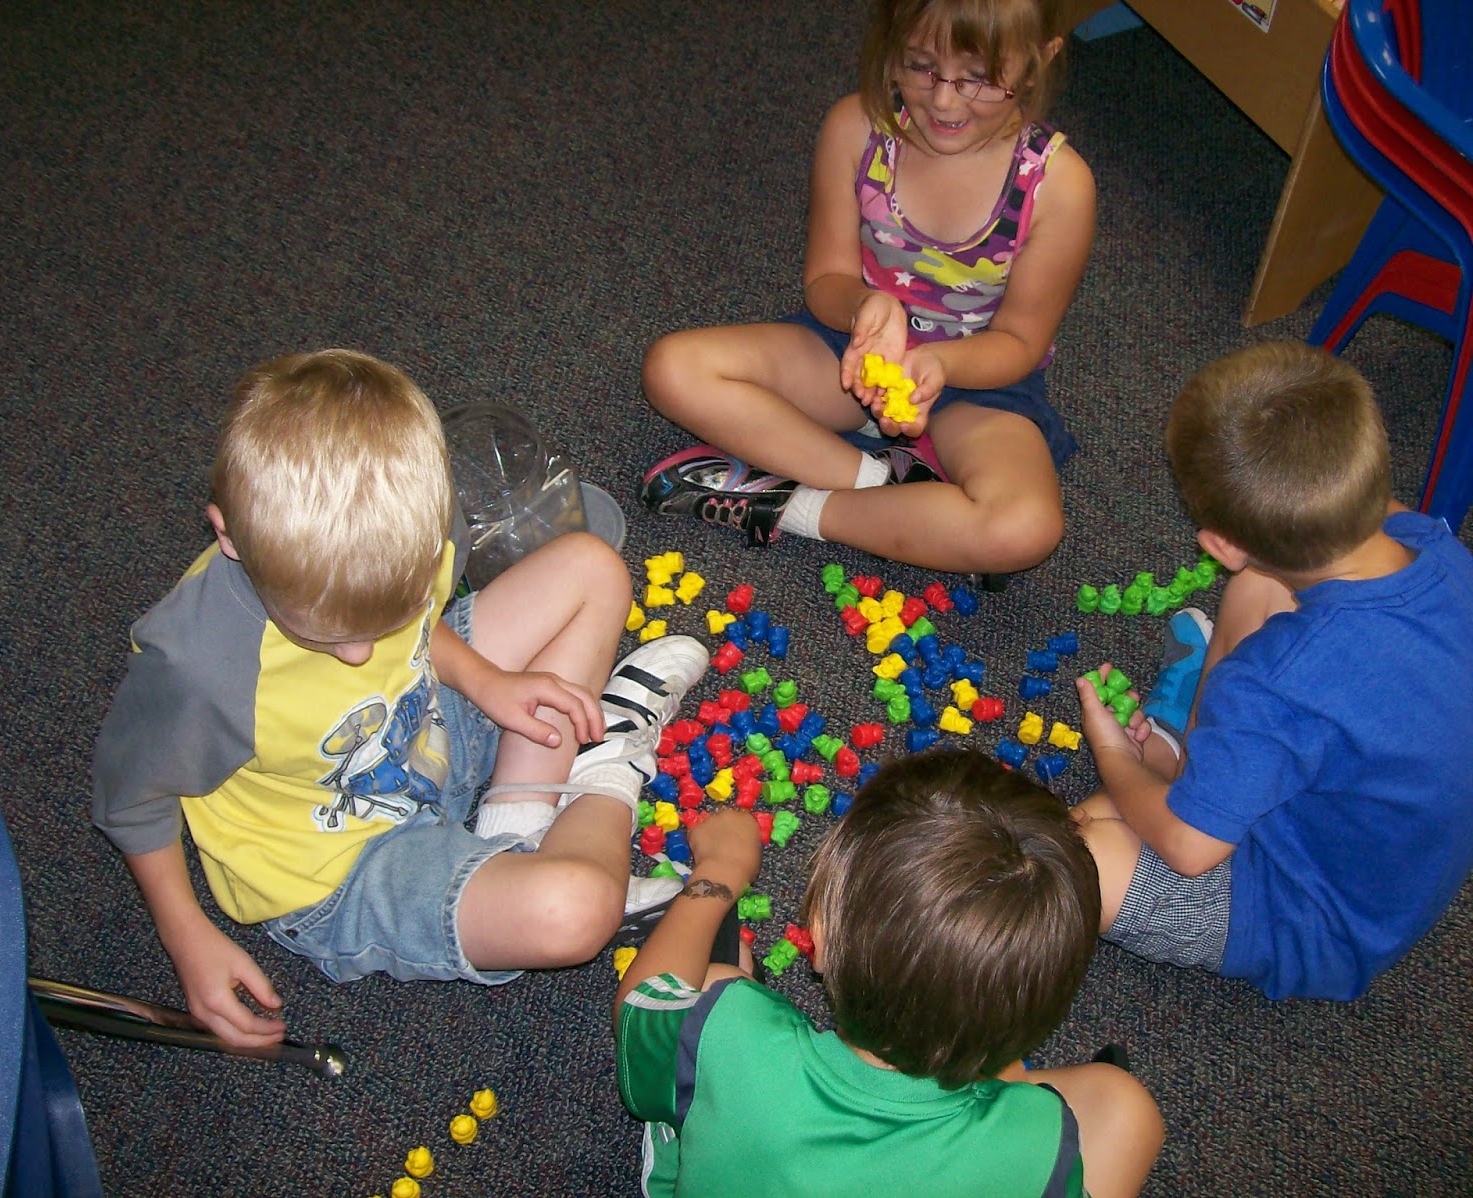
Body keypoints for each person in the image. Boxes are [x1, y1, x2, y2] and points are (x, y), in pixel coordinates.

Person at [92, 349, 708, 1048]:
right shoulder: (198, 671)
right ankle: (610, 760)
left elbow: (419, 632)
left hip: (427, 721)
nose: (360, 656)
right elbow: (130, 800)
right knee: (575, 913)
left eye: (384, 620)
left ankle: (518, 823)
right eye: (326, 635)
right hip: (342, 864)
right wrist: (185, 934)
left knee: (593, 567)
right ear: (228, 536)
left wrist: (485, 680)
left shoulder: (417, 516)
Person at [1074, 341, 1473, 1002]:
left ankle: (1177, 773)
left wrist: (1115, 758)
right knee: (1260, 586)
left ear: (1221, 546)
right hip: (1381, 869)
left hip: (1309, 920)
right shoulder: (1442, 550)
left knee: (1079, 851)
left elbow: (1189, 851)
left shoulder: (1275, 680)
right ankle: (1194, 767)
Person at [638, 0, 1095, 574]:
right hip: (849, 350)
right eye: (921, 65)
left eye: (978, 77)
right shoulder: (856, 128)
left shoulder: (1059, 186)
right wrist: (865, 305)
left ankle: (792, 507)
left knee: (1023, 530)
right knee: (674, 369)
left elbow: (1019, 344)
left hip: (979, 383)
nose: (943, 100)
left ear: (1037, 61)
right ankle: (888, 485)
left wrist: (941, 364)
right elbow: (825, 281)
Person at [615, 751, 1164, 1198]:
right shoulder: (1038, 1142)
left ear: (820, 938)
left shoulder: (726, 1032)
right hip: (995, 1145)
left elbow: (637, 1003)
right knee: (1125, 1108)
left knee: (715, 976)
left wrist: (721, 872)